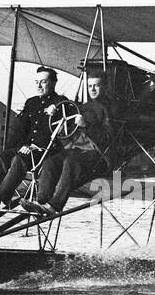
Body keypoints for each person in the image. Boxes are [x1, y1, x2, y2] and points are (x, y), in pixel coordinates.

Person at [0, 67, 68, 209]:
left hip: (45, 151)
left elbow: (65, 131)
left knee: (19, 159)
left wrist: (57, 112)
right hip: (26, 148)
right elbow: (21, 130)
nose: (38, 86)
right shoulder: (31, 102)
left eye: (43, 82)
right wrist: (20, 138)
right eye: (36, 82)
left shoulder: (62, 102)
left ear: (53, 83)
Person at [23, 68, 117, 215]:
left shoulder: (110, 109)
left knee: (70, 162)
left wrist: (87, 126)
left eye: (96, 85)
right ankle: (41, 202)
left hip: (98, 155)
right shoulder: (84, 107)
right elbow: (68, 118)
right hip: (76, 150)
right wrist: (55, 111)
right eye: (90, 86)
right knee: (51, 162)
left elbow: (108, 138)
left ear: (104, 86)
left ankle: (54, 206)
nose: (92, 89)